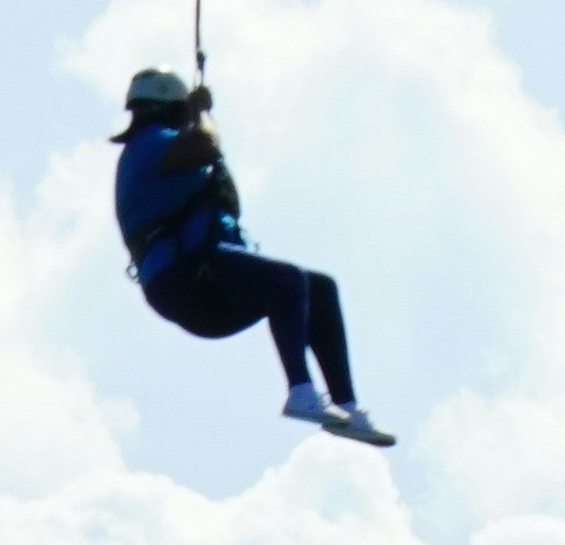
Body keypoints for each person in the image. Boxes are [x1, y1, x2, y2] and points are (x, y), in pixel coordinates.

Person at [111, 68, 392, 446]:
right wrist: (202, 114)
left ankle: (346, 406)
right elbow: (205, 146)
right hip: (186, 277)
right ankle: (300, 390)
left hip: (199, 284)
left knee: (318, 289)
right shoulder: (149, 144)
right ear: (171, 109)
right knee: (288, 281)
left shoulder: (160, 148)